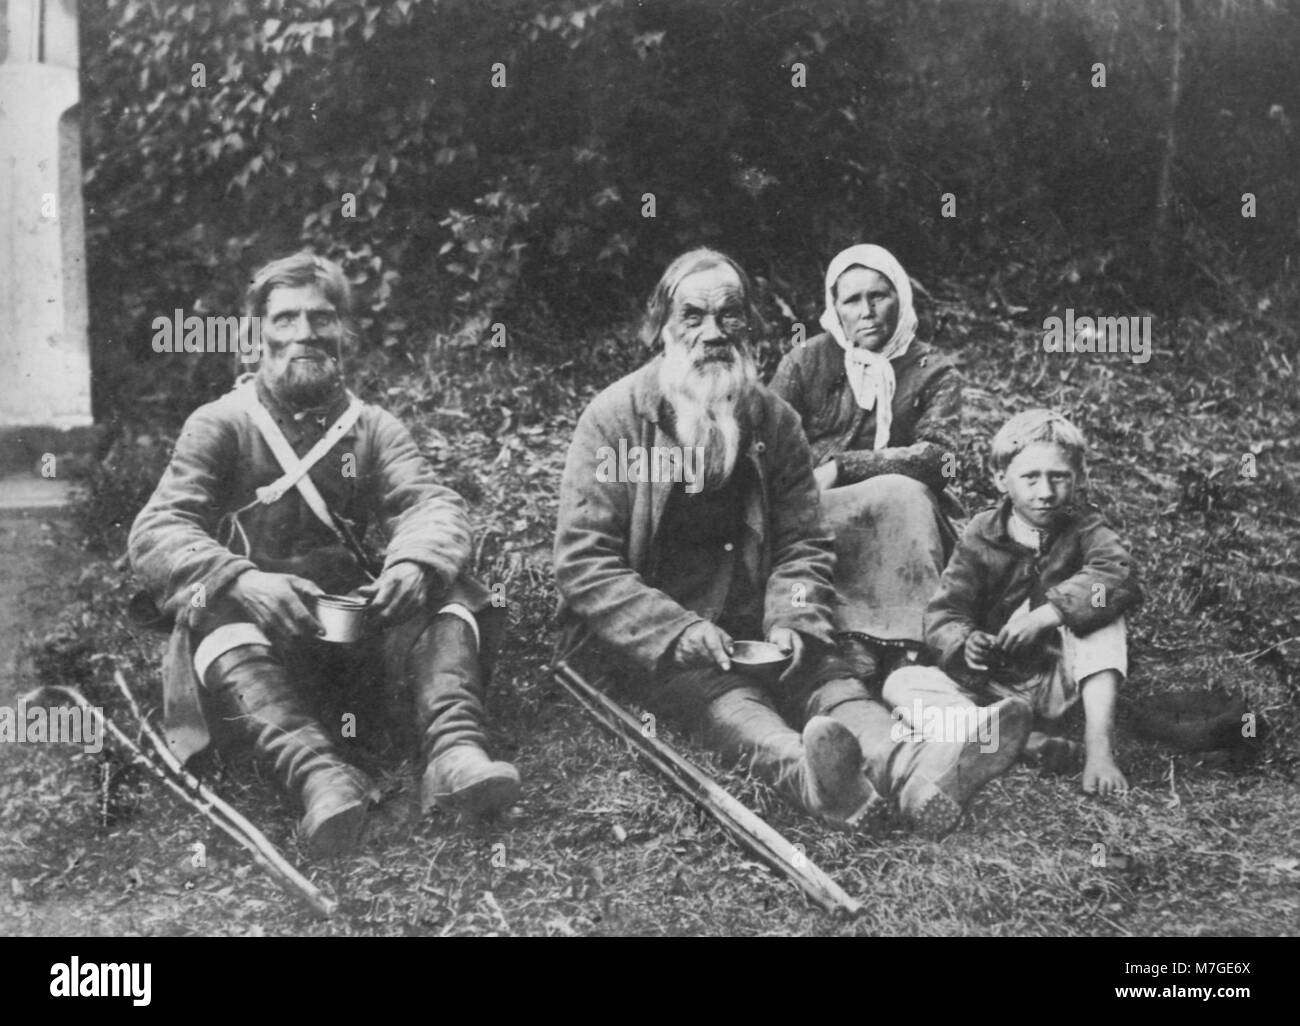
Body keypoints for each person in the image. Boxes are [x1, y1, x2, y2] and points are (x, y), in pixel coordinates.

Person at [553, 248, 1029, 836]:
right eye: (693, 317)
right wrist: (679, 630)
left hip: (758, 620)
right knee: (728, 699)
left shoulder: (772, 420)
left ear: (749, 325)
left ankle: (913, 769)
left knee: (830, 677)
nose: (712, 334)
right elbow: (585, 564)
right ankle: (813, 778)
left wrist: (792, 618)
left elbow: (803, 542)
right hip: (661, 636)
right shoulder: (615, 421)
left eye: (730, 316)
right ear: (662, 327)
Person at [129, 252, 519, 855]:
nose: (305, 333)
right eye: (285, 319)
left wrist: (413, 562)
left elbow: (431, 506)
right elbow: (158, 530)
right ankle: (319, 777)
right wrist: (241, 580)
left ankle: (454, 751)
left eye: (322, 317)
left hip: (352, 638)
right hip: (261, 652)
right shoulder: (222, 424)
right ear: (256, 335)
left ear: (345, 333)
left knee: (450, 587)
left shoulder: (373, 428)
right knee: (212, 611)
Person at [883, 409, 1139, 796]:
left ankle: (1099, 750)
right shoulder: (980, 535)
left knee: (1103, 617)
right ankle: (1012, 738)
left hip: (1057, 679)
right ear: (1000, 478)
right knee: (901, 684)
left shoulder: (1087, 529)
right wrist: (965, 643)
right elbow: (945, 613)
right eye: (1030, 477)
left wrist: (1048, 615)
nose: (1046, 492)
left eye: (1059, 477)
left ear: (1079, 478)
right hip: (993, 688)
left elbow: (1120, 574)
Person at [770, 244, 962, 684]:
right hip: (819, 510)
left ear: (901, 297)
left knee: (903, 493)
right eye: (852, 300)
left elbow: (940, 458)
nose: (868, 311)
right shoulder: (806, 361)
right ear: (834, 307)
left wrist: (843, 466)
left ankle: (908, 646)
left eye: (879, 295)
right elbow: (768, 443)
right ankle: (852, 637)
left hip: (907, 523)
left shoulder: (933, 369)